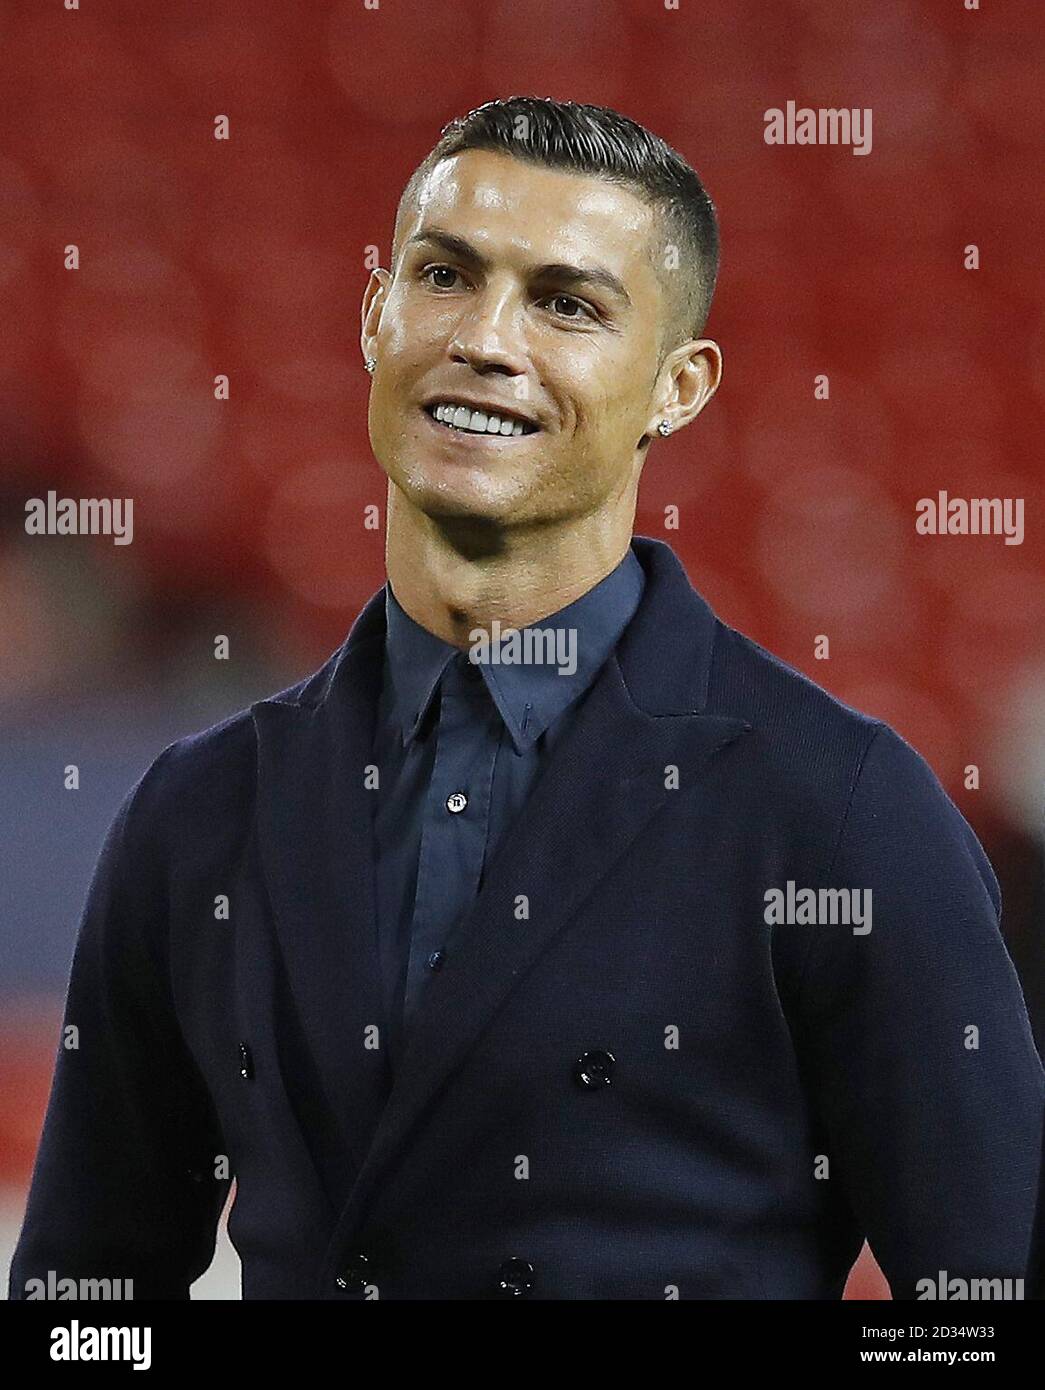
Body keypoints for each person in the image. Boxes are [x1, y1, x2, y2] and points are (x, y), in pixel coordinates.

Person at [10, 96, 1043, 1301]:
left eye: (567, 303)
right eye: (444, 275)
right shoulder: (197, 810)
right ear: (372, 317)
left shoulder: (838, 810)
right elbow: (83, 1313)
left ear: (679, 387)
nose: (486, 340)